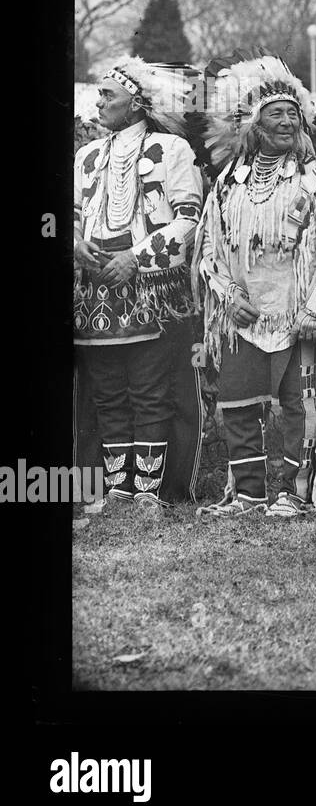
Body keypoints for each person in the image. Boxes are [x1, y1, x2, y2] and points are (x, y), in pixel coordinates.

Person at [192, 50, 316, 518]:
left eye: (292, 114)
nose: (286, 121)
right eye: (275, 114)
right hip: (245, 314)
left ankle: (294, 491)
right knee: (239, 404)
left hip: (297, 312)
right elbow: (210, 250)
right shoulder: (229, 183)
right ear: (254, 125)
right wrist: (228, 298)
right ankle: (248, 493)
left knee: (298, 405)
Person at [73, 58, 205, 509]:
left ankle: (149, 492)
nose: (99, 101)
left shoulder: (172, 150)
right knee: (108, 393)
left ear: (135, 103)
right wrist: (76, 245)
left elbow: (191, 220)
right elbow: (71, 217)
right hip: (96, 289)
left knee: (149, 390)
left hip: (152, 288)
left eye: (108, 94)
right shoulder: (86, 156)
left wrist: (136, 257)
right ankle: (116, 489)